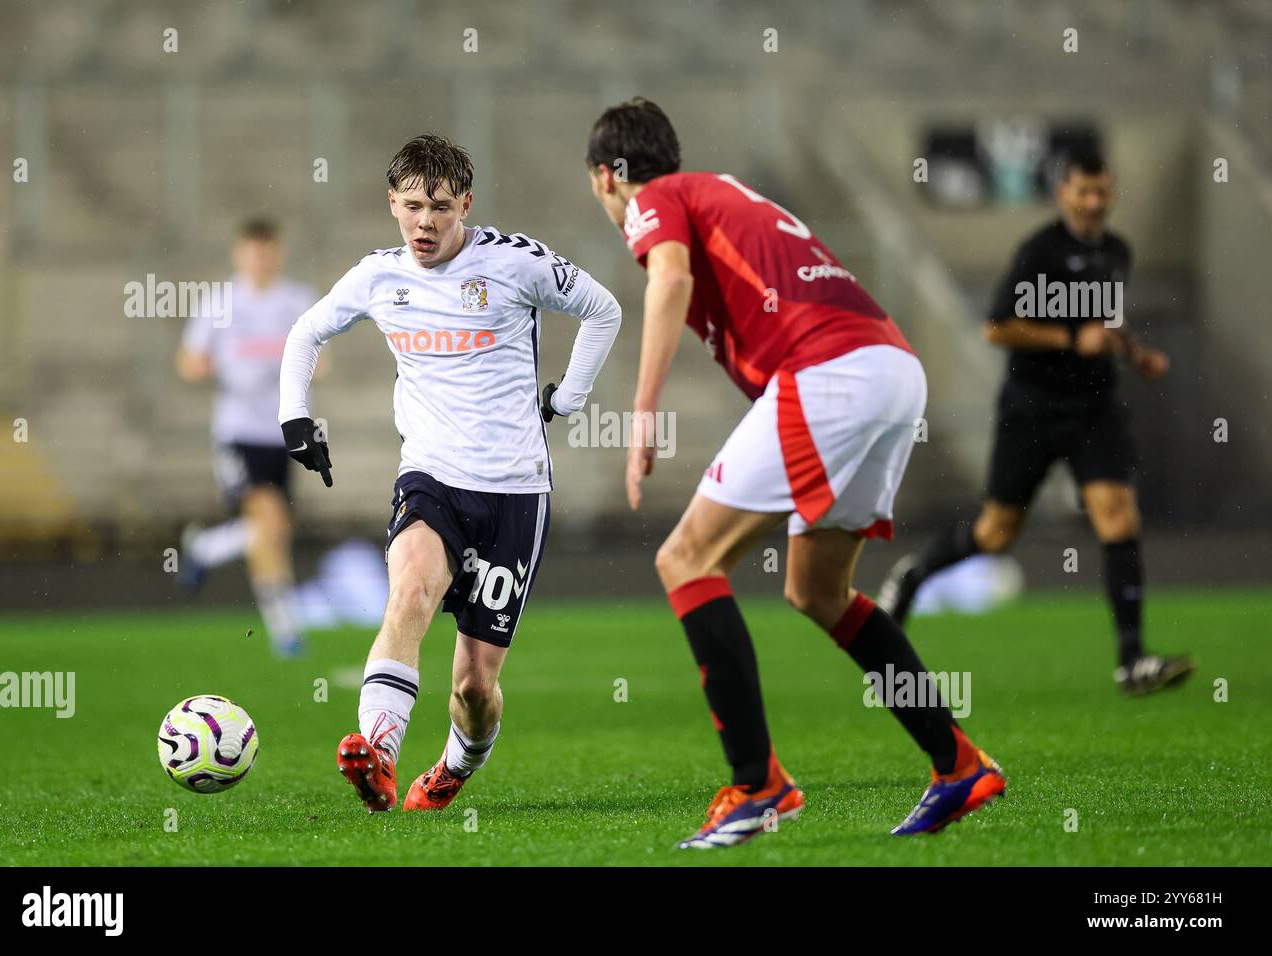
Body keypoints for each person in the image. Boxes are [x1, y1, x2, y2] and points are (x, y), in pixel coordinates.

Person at [586, 98, 1005, 848]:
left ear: (603, 179)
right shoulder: (722, 193)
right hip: (891, 368)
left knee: (685, 559)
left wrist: (641, 411)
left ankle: (757, 787)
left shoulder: (657, 200)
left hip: (831, 371)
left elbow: (671, 281)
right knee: (816, 590)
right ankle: (959, 764)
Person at [278, 134, 621, 812]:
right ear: (392, 205)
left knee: (473, 684)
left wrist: (566, 400)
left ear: (466, 203)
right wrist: (295, 419)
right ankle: (378, 753)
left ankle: (456, 765)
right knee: (408, 594)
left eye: (438, 207)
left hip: (515, 490)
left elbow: (602, 309)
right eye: (410, 207)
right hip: (430, 475)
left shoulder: (515, 263)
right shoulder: (379, 276)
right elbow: (306, 331)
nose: (424, 223)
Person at [878, 149, 1193, 697]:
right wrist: (1072, 341)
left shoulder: (1117, 251)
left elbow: (1103, 323)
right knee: (995, 535)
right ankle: (912, 575)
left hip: (1095, 407)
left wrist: (1134, 352)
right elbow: (997, 329)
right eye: (1082, 192)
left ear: (1112, 192)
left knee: (1117, 519)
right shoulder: (1040, 252)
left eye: (1102, 192)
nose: (1093, 203)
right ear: (1062, 194)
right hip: (1033, 409)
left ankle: (1131, 660)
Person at [177, 218, 316, 657]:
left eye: (268, 250)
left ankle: (208, 547)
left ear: (279, 253)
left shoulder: (298, 300)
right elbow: (188, 360)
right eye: (254, 251)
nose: (261, 259)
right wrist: (206, 368)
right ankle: (286, 631)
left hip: (283, 431)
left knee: (271, 535)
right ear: (241, 254)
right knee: (268, 520)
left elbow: (320, 354)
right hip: (237, 432)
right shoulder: (221, 302)